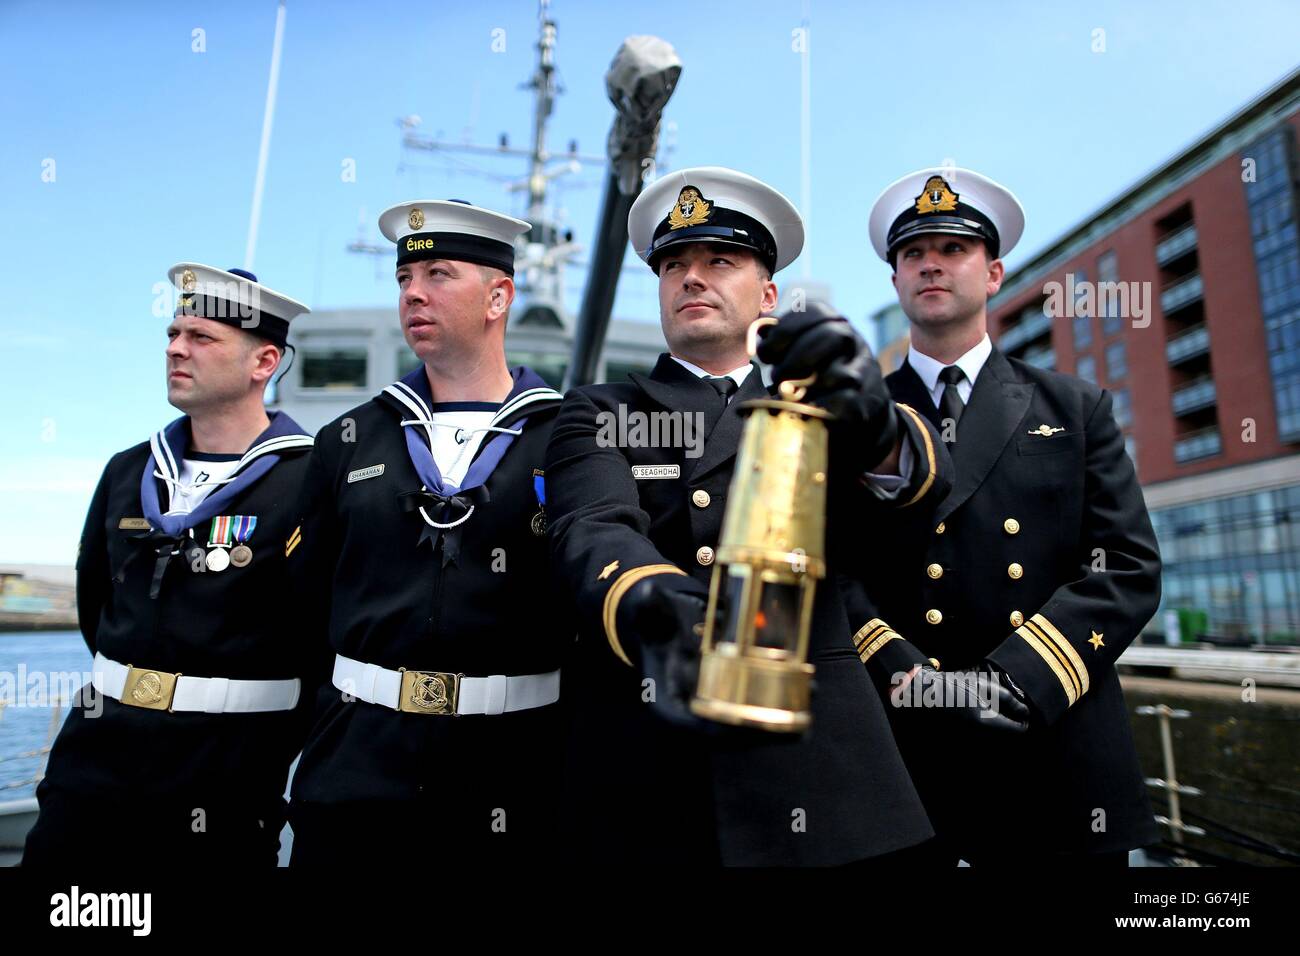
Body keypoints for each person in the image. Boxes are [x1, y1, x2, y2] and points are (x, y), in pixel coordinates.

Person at [545, 167, 953, 865]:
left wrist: (876, 424)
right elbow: (593, 525)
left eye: (719, 261)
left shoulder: (828, 401)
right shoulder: (600, 409)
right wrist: (652, 598)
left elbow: (907, 507)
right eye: (674, 265)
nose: (691, 279)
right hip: (649, 762)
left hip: (825, 771)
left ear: (767, 294)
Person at [848, 165, 1162, 865]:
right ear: (896, 280)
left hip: (1051, 743)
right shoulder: (852, 419)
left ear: (992, 275)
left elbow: (1127, 566)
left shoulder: (1073, 407)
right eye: (912, 253)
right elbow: (830, 570)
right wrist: (906, 671)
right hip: (903, 744)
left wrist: (1013, 680)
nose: (930, 263)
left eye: (952, 249)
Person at [285, 199, 571, 865]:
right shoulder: (347, 439)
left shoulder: (568, 437)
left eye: (439, 274)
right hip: (355, 775)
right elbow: (301, 603)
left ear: (498, 296)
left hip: (517, 772)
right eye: (404, 279)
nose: (413, 292)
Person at [23, 264, 315, 866]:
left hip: (226, 768)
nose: (176, 349)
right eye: (173, 333)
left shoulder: (312, 481)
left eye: (202, 338)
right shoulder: (128, 470)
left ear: (264, 363)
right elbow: (94, 601)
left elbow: (322, 633)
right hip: (96, 757)